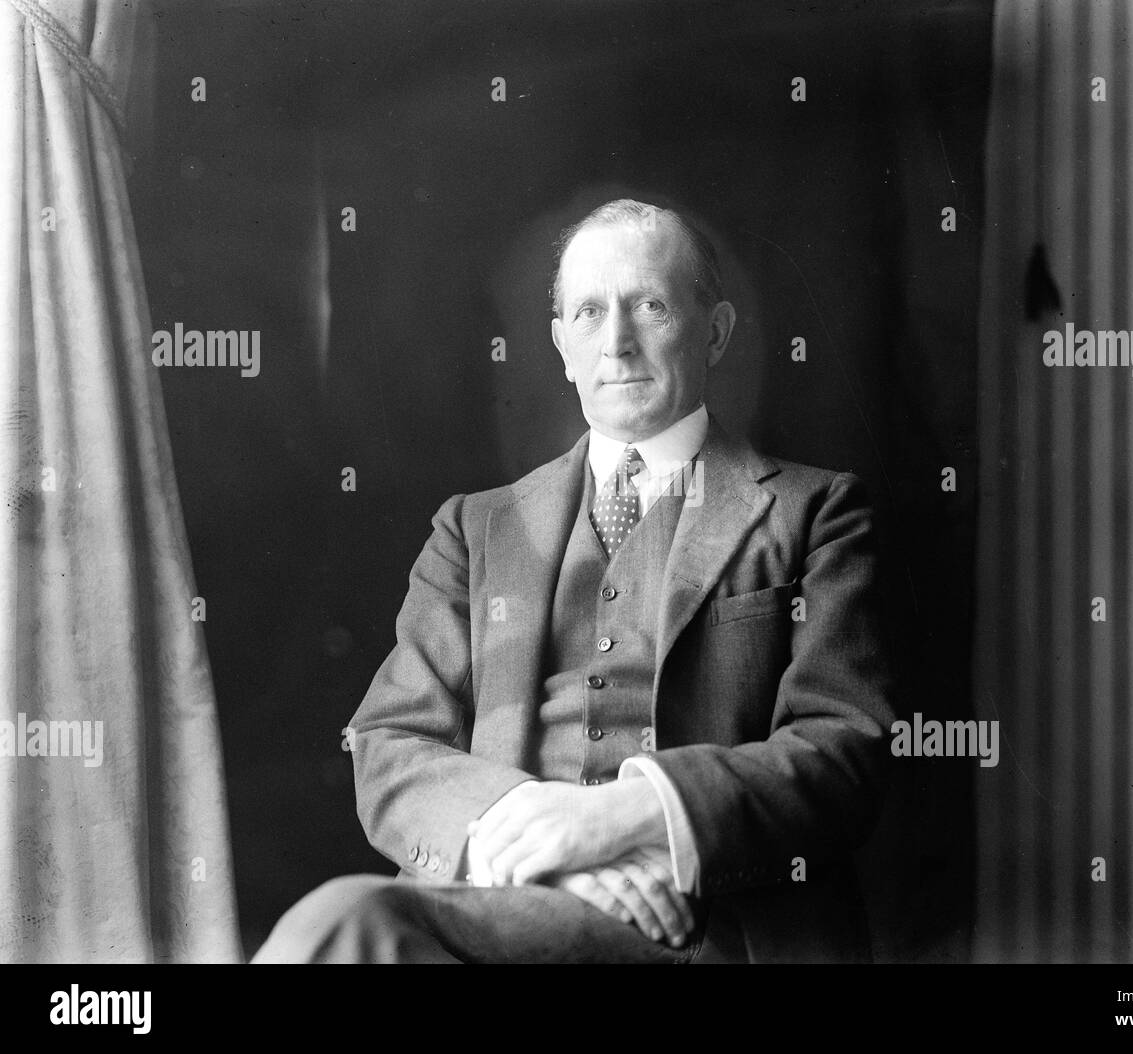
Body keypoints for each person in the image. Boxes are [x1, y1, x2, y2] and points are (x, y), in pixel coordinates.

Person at [254, 199, 894, 963]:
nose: (617, 344)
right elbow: (388, 741)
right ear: (561, 346)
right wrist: (540, 837)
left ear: (715, 331)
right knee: (345, 925)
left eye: (650, 306)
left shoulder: (815, 511)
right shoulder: (473, 527)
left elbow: (843, 749)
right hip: (499, 906)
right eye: (589, 313)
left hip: (706, 927)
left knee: (343, 923)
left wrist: (624, 818)